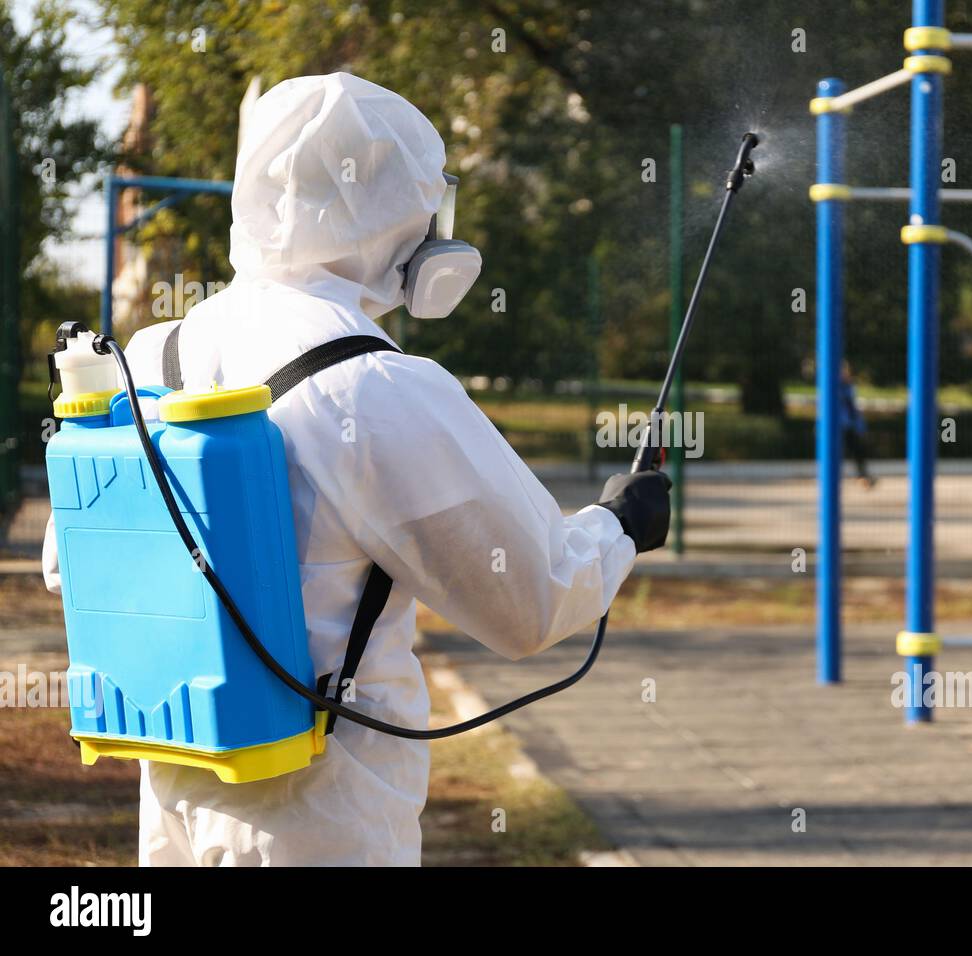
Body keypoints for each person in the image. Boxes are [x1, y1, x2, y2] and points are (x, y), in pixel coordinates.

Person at [42, 73, 671, 866]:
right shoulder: (375, 385)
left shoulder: (148, 353)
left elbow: (70, 569)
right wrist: (620, 526)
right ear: (398, 214)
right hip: (324, 807)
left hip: (177, 784)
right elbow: (529, 601)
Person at [840, 361, 875, 488]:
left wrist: (860, 425)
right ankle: (861, 476)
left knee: (857, 451)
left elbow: (852, 408)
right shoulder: (832, 386)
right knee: (841, 451)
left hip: (848, 425)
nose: (846, 373)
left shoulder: (848, 387)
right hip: (837, 426)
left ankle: (862, 476)